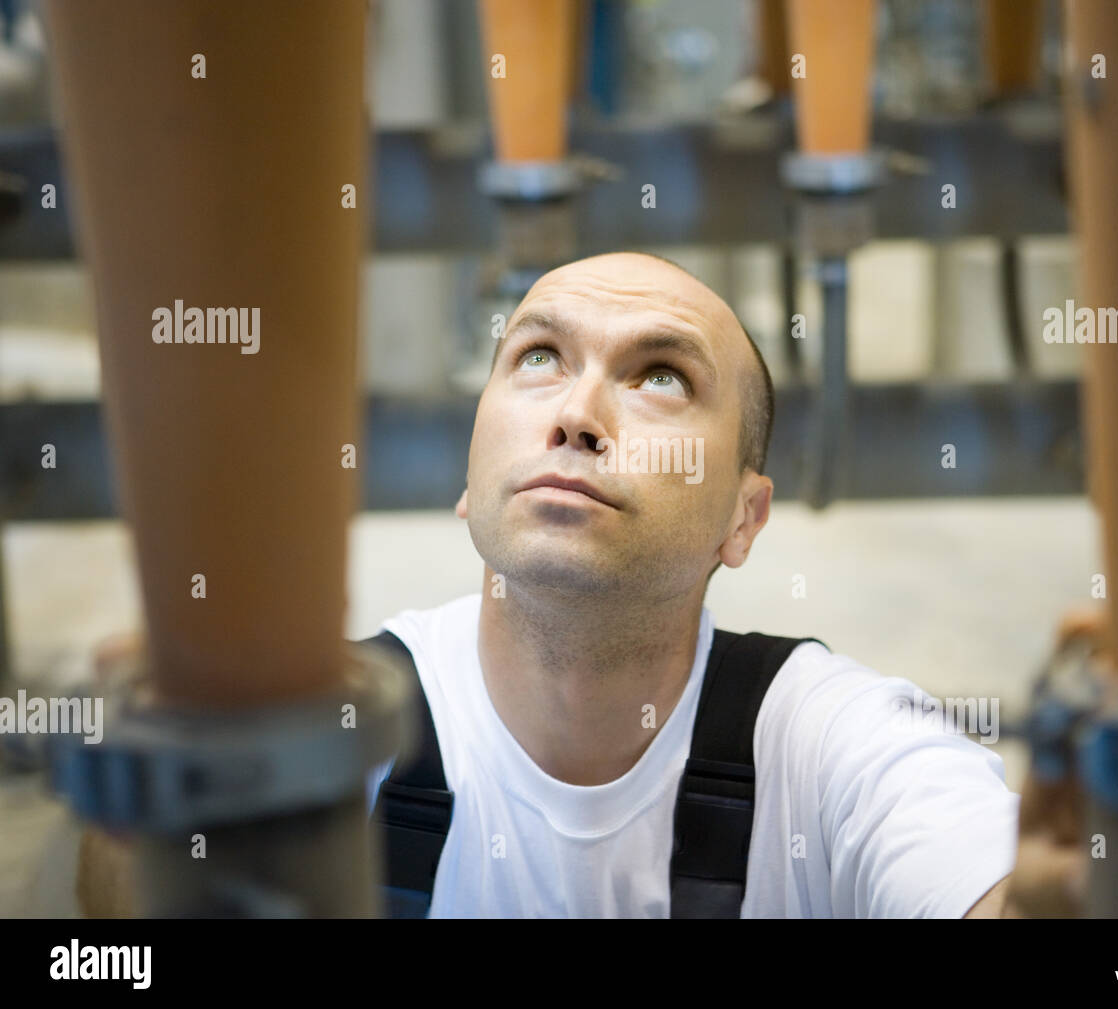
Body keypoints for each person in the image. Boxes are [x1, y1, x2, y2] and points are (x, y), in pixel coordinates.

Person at [362, 250, 1019, 917]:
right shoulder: (343, 730)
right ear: (470, 479)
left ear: (744, 518)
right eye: (539, 356)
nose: (577, 414)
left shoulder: (830, 748)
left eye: (662, 378)